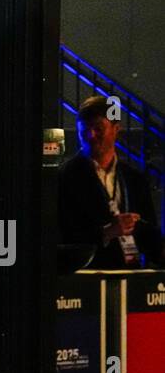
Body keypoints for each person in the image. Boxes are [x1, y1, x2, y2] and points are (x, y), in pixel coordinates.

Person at [58, 94, 162, 270]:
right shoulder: (66, 177)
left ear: (116, 129)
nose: (91, 136)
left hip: (129, 275)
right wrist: (106, 233)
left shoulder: (133, 179)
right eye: (84, 131)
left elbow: (149, 236)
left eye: (98, 129)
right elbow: (62, 235)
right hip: (87, 279)